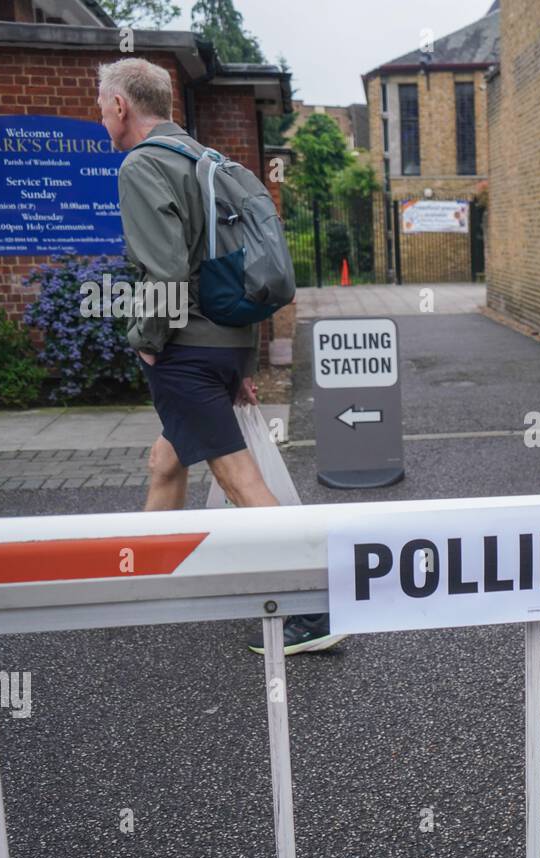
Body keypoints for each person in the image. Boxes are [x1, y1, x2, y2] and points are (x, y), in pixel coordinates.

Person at [98, 57, 346, 655]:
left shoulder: (142, 164)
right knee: (167, 459)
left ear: (122, 106)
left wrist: (148, 343)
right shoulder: (210, 161)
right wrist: (243, 359)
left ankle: (311, 610)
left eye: (101, 102)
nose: (99, 113)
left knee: (239, 480)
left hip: (185, 351)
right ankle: (146, 581)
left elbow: (162, 269)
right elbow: (242, 268)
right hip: (227, 343)